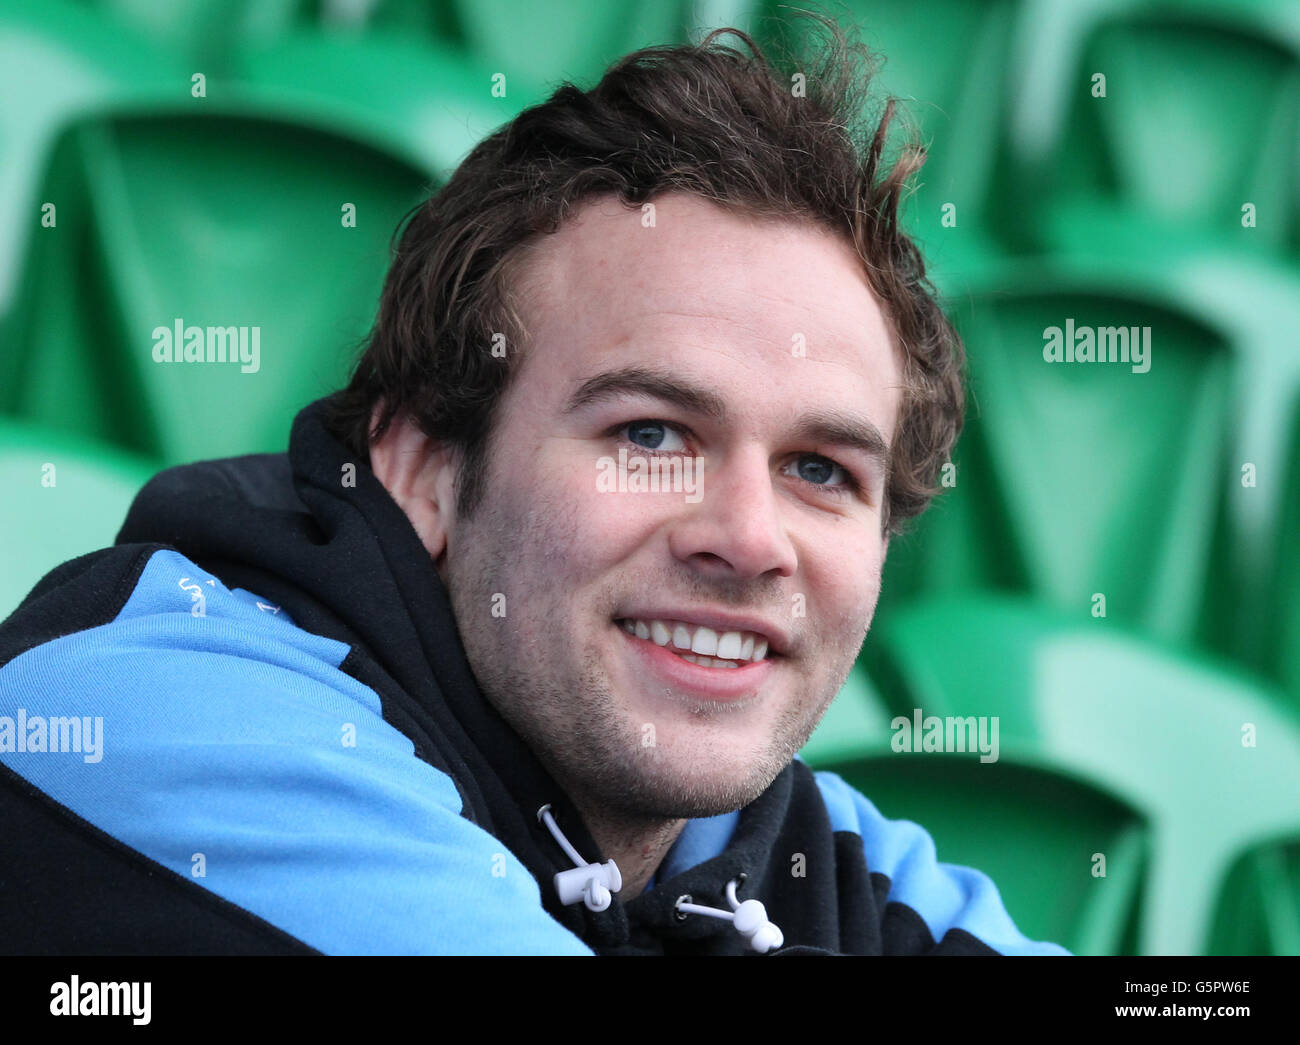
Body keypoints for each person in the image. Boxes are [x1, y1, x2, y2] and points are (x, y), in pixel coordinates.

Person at [0, 15, 1069, 956]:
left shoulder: (813, 853)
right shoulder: (156, 713)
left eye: (819, 471)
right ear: (421, 468)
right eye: (651, 430)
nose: (748, 538)